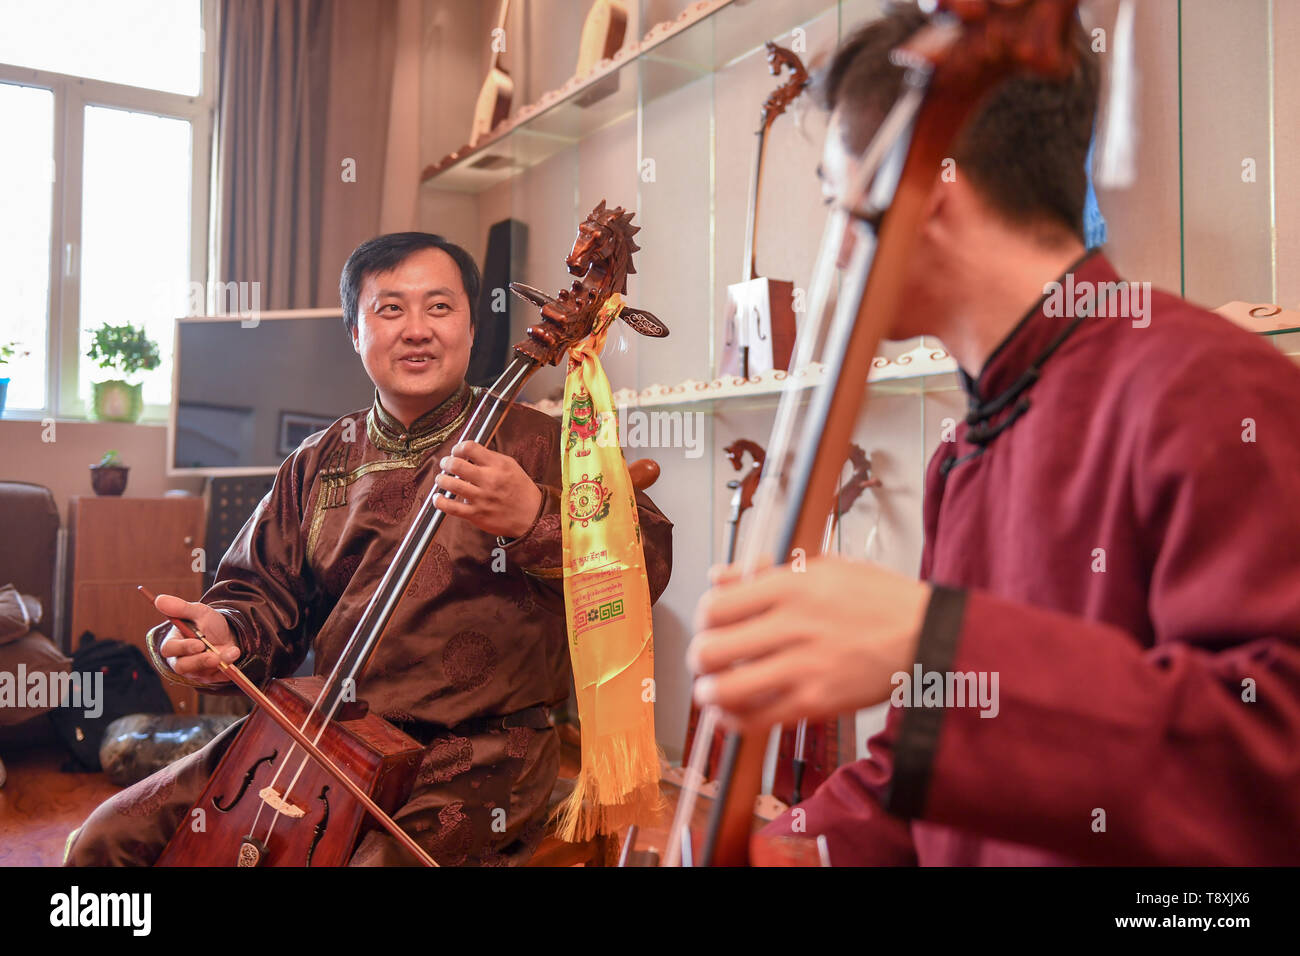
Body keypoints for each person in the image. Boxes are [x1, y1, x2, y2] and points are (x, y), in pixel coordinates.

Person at [689, 7, 1300, 865]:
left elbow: (1272, 757)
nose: (835, 261)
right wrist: (796, 847)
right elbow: (927, 768)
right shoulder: (965, 450)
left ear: (929, 185)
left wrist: (926, 638)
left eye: (840, 207)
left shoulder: (1209, 385)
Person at [65, 232, 673, 866]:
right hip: (326, 729)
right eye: (390, 309)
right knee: (106, 840)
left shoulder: (542, 442)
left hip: (482, 750)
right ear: (355, 332)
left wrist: (535, 518)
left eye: (440, 307)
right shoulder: (318, 461)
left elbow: (648, 563)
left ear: (471, 326)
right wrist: (226, 632)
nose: (417, 330)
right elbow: (262, 594)